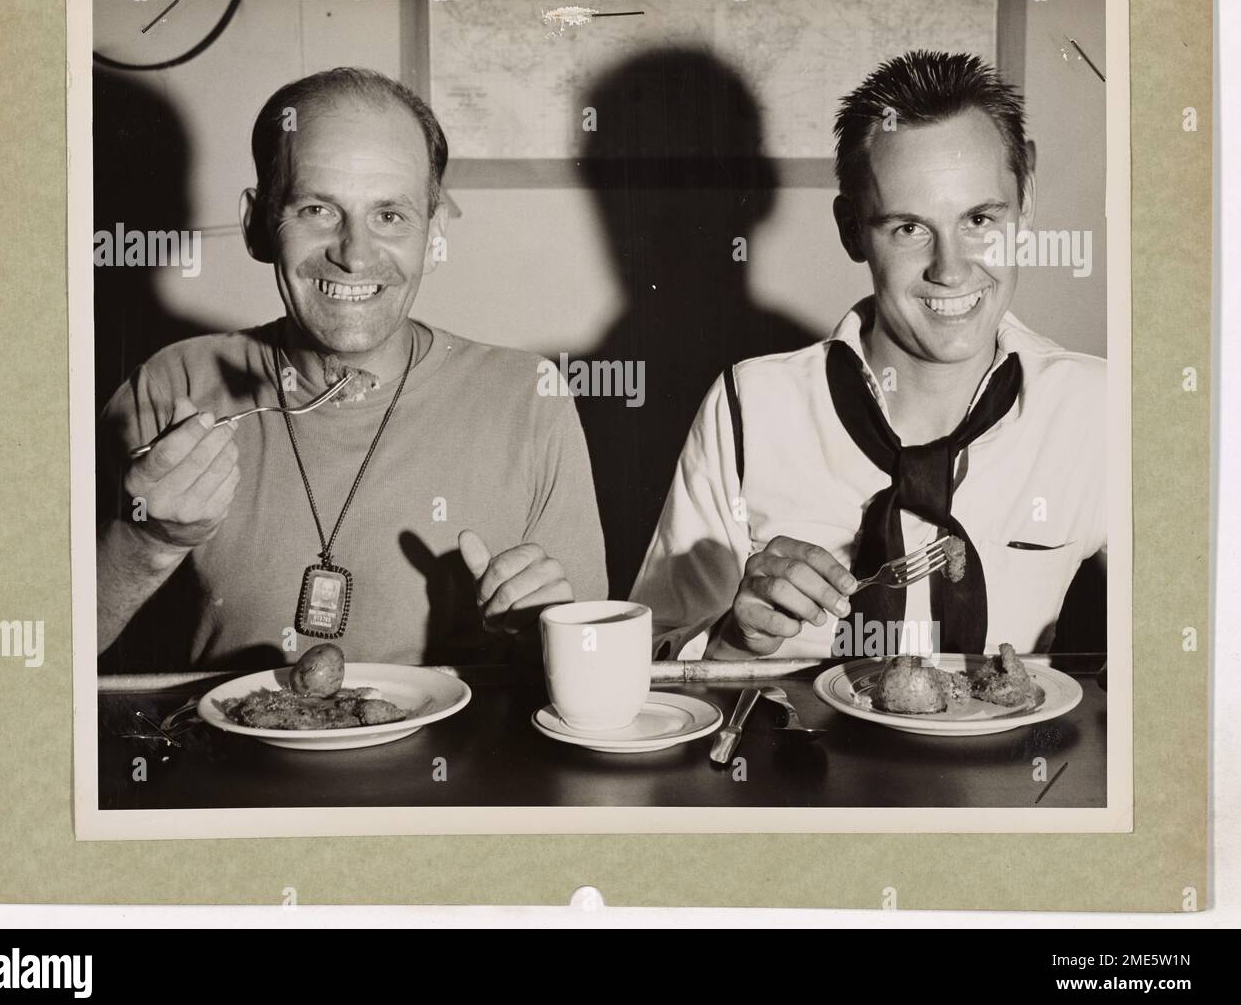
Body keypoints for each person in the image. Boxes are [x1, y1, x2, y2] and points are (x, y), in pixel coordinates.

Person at [97, 67, 606, 669]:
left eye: (390, 216)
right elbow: (41, 672)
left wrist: (545, 639)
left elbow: (593, 674)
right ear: (258, 225)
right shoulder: (169, 387)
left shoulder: (529, 398)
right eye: (317, 209)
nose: (355, 253)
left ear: (434, 234)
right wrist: (145, 544)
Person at [633, 50, 1106, 661]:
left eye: (980, 218)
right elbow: (650, 674)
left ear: (1025, 207)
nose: (951, 269)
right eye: (908, 228)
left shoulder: (1096, 409)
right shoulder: (747, 407)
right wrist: (735, 639)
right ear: (852, 228)